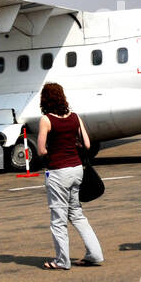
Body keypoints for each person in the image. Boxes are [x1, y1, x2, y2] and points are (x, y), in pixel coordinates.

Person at [36, 82, 104, 270]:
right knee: (76, 214)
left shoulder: (46, 120)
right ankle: (95, 254)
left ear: (45, 99)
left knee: (58, 218)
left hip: (58, 172)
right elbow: (88, 144)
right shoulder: (74, 117)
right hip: (77, 169)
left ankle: (62, 260)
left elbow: (41, 150)